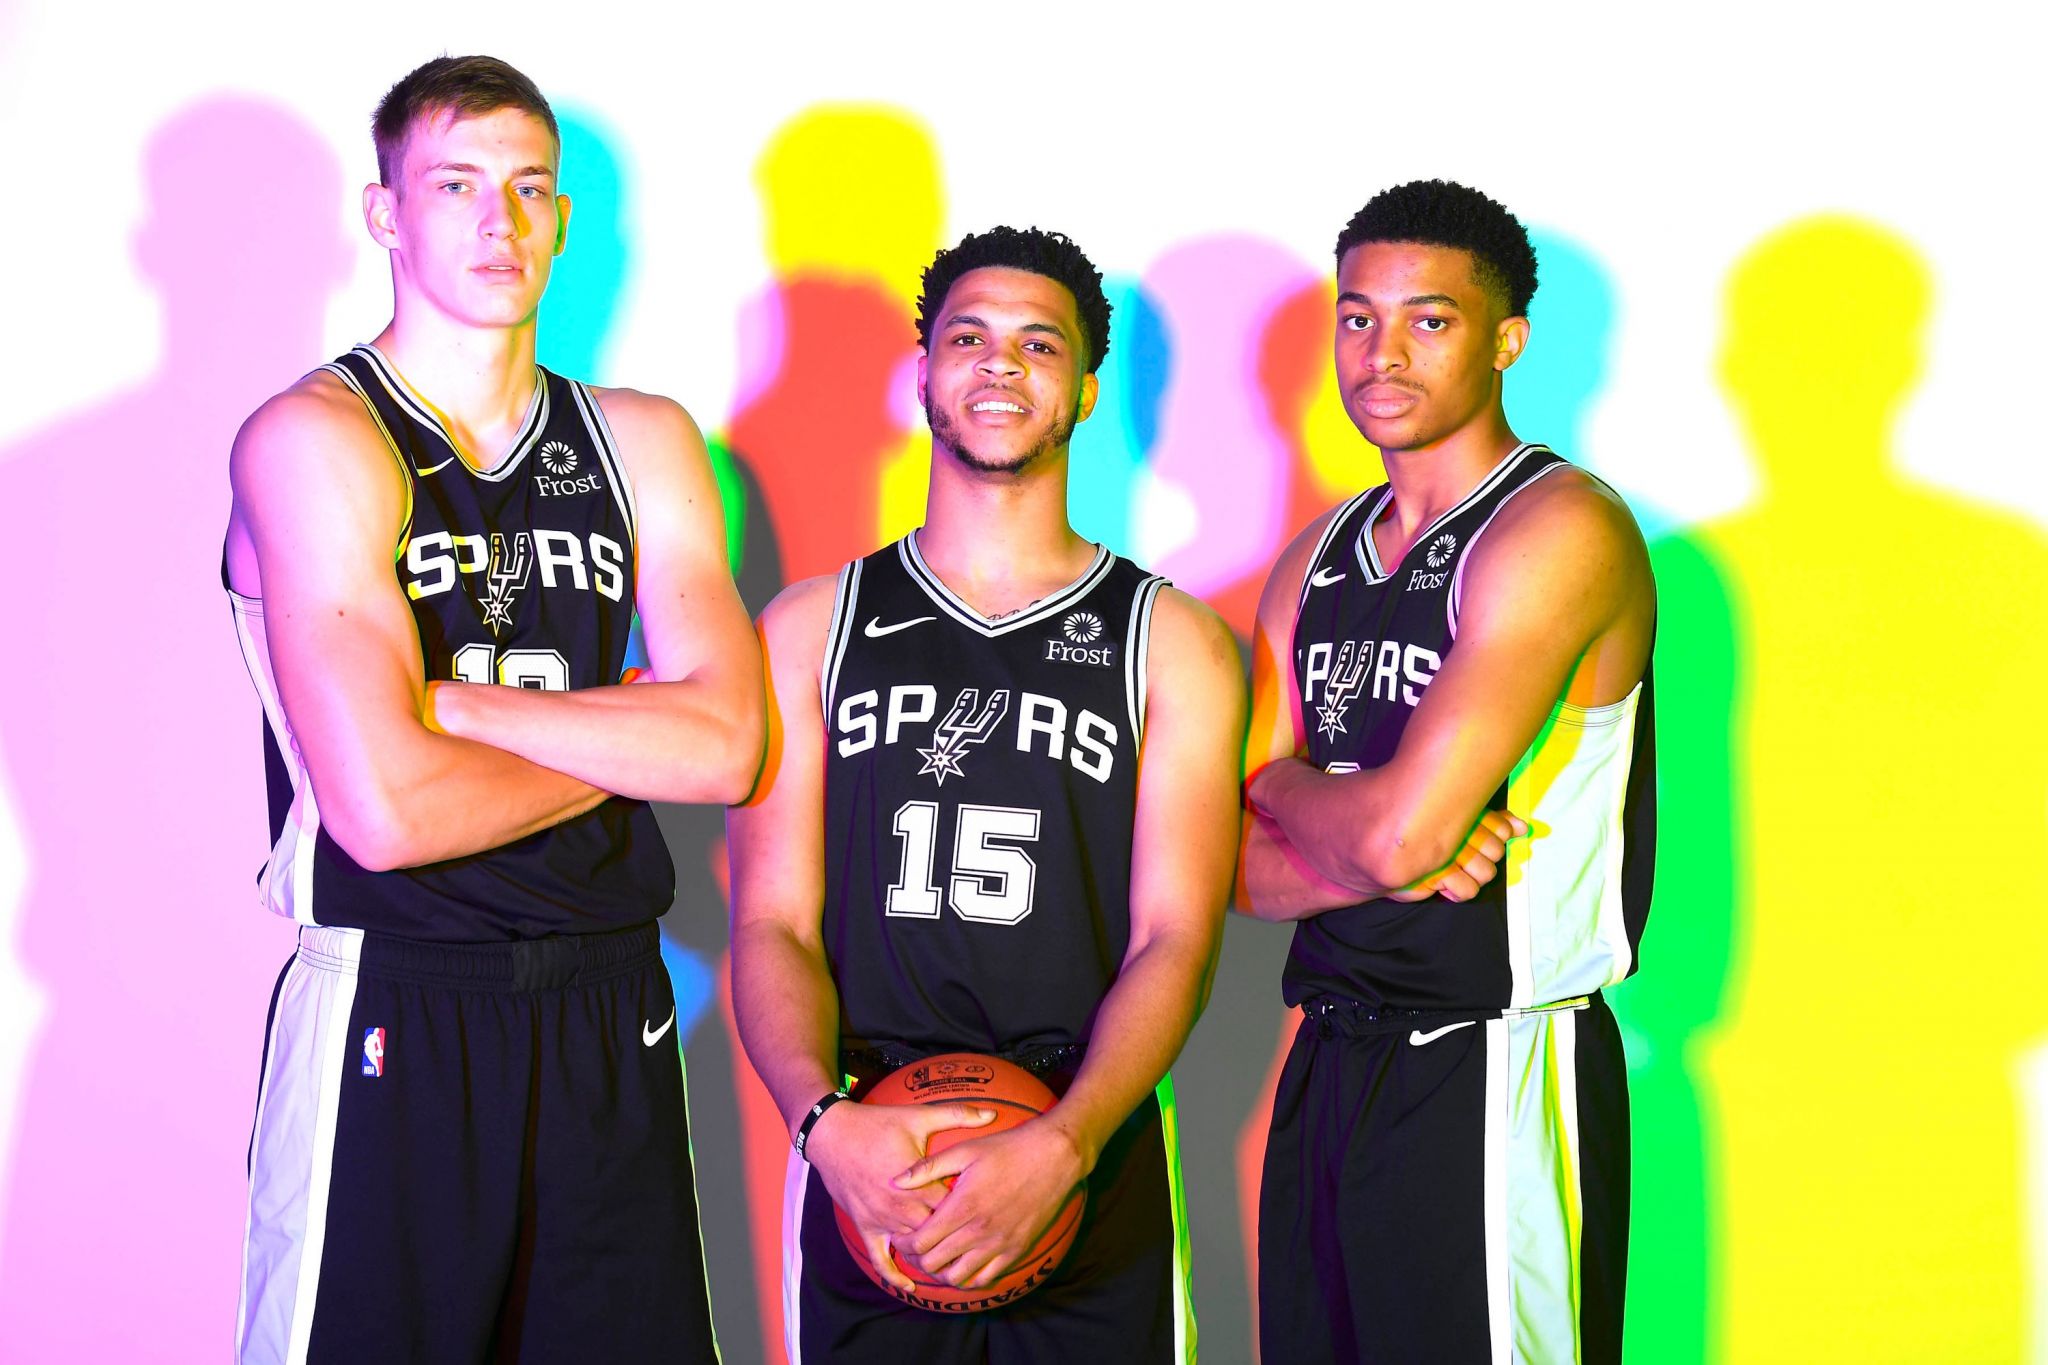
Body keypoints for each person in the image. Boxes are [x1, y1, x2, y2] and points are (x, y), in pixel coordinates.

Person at [222, 56, 760, 1363]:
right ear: (386, 214)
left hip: (609, 1003)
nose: (499, 221)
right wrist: (639, 735)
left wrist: (454, 709)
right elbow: (387, 815)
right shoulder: (316, 440)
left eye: (528, 188)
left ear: (562, 219)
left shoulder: (642, 441)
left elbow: (731, 746)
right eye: (457, 185)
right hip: (397, 998)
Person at [727, 227, 1242, 1363]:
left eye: (1038, 343)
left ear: (1086, 390)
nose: (1000, 363)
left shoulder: (1172, 643)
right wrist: (824, 1127)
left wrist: (1067, 1142)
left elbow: (1175, 938)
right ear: (923, 375)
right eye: (968, 338)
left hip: (1086, 1145)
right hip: (869, 1150)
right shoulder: (810, 628)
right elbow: (770, 924)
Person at [1238, 180, 1655, 1364]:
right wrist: (1373, 848)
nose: (1381, 353)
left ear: (1505, 340)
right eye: (1356, 317)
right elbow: (1226, 868)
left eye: (1428, 320)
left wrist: (1287, 792)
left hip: (1493, 1063)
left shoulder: (1557, 530)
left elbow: (1373, 831)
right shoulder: (1311, 560)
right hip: (1326, 1060)